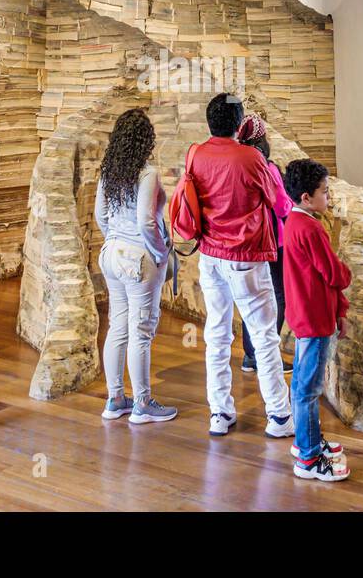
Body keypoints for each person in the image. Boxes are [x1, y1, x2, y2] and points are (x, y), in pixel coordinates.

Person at [189, 94, 293, 439]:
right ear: (238, 124)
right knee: (263, 336)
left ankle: (219, 412)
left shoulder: (195, 153)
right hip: (246, 257)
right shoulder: (251, 157)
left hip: (210, 257)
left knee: (217, 334)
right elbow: (279, 203)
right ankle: (279, 415)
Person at [93, 109, 178, 425]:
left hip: (112, 254)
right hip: (139, 257)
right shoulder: (147, 174)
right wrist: (160, 252)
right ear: (145, 140)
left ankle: (115, 399)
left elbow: (100, 215)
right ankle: (142, 403)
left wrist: (113, 240)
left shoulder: (109, 172)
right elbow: (146, 220)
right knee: (141, 331)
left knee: (117, 326)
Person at [281, 158, 351, 482]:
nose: (329, 198)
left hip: (304, 315)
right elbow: (334, 273)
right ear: (306, 197)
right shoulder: (310, 228)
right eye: (324, 192)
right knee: (309, 388)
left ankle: (305, 441)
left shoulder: (294, 222)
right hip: (314, 318)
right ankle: (308, 458)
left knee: (301, 383)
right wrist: (348, 273)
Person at [235, 114, 292, 376]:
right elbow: (282, 205)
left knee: (251, 299)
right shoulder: (266, 167)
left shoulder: (235, 164)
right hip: (272, 241)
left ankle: (250, 353)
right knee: (277, 296)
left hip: (244, 243)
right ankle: (266, 353)